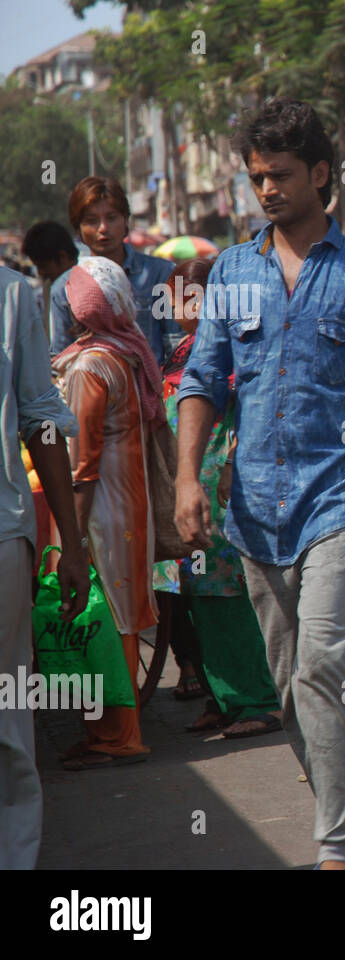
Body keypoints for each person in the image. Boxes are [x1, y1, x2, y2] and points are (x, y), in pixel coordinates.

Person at [176, 98, 345, 870]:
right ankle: (341, 815)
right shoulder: (232, 271)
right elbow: (203, 378)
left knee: (323, 665)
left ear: (321, 174)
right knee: (290, 686)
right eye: (257, 178)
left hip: (336, 502)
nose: (267, 190)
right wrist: (187, 477)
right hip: (253, 509)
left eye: (281, 175)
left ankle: (339, 844)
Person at [152, 259, 283, 739]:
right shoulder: (182, 351)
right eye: (175, 298)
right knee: (193, 599)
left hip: (224, 492)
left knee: (227, 596)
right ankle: (221, 696)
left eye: (189, 296)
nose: (180, 307)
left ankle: (259, 700)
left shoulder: (238, 348)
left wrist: (230, 464)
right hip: (186, 491)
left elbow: (252, 413)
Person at [53, 257, 162, 771]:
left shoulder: (92, 366)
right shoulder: (126, 352)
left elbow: (82, 461)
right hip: (130, 501)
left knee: (104, 615)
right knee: (119, 613)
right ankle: (118, 725)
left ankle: (119, 736)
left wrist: (70, 536)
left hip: (102, 509)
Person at [1, 264, 89, 868]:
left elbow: (40, 417)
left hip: (3, 537)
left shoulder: (11, 292)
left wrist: (72, 542)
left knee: (7, 719)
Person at [49, 177, 176, 366]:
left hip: (155, 392)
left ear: (125, 221)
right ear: (79, 228)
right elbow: (60, 360)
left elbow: (177, 347)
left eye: (111, 218)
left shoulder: (161, 274)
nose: (103, 228)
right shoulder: (64, 289)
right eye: (91, 221)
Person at [20, 221, 79, 336]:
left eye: (43, 266)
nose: (40, 272)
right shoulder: (49, 287)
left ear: (63, 257)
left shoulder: (88, 282)